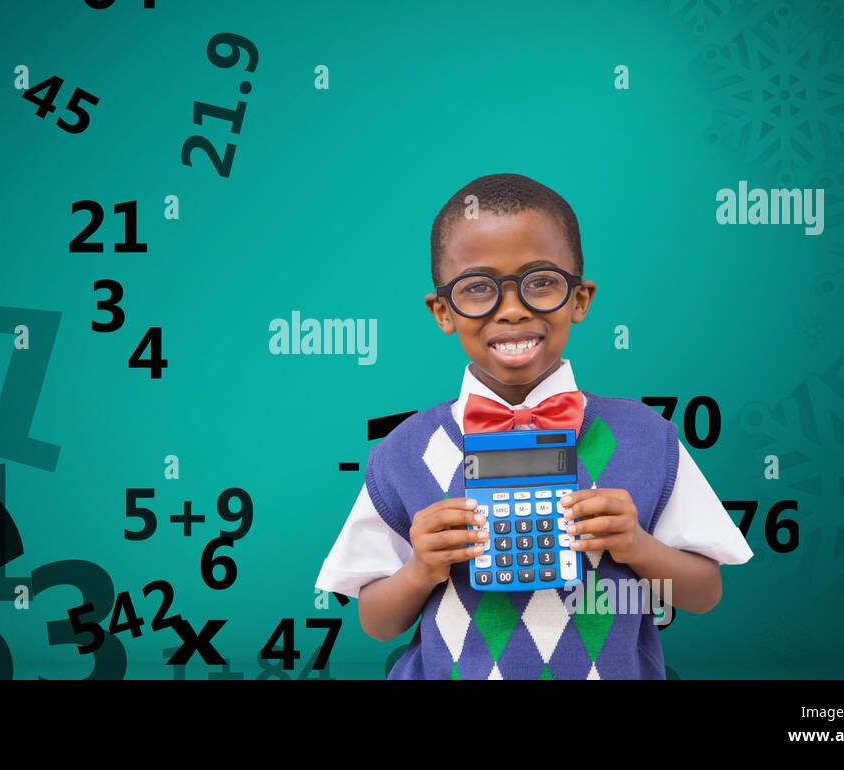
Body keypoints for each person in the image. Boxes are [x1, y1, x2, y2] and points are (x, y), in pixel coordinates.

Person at [314, 173, 753, 679]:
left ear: (580, 299)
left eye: (541, 282)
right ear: (442, 311)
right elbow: (377, 621)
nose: (513, 308)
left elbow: (704, 594)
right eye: (478, 288)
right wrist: (420, 571)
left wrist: (639, 546)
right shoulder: (404, 452)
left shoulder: (647, 438)